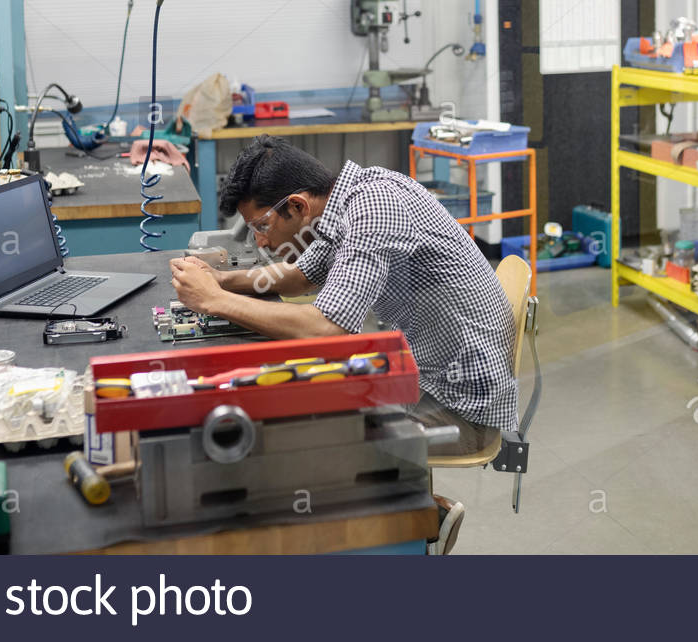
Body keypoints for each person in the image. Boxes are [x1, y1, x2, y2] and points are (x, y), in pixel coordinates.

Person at [168, 135, 519, 452]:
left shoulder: (375, 207)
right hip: (426, 373)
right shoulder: (347, 202)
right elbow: (301, 276)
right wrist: (223, 280)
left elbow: (329, 328)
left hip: (459, 405)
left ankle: (420, 517)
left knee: (293, 435)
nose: (260, 241)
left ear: (298, 206)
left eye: (262, 226)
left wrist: (215, 301)